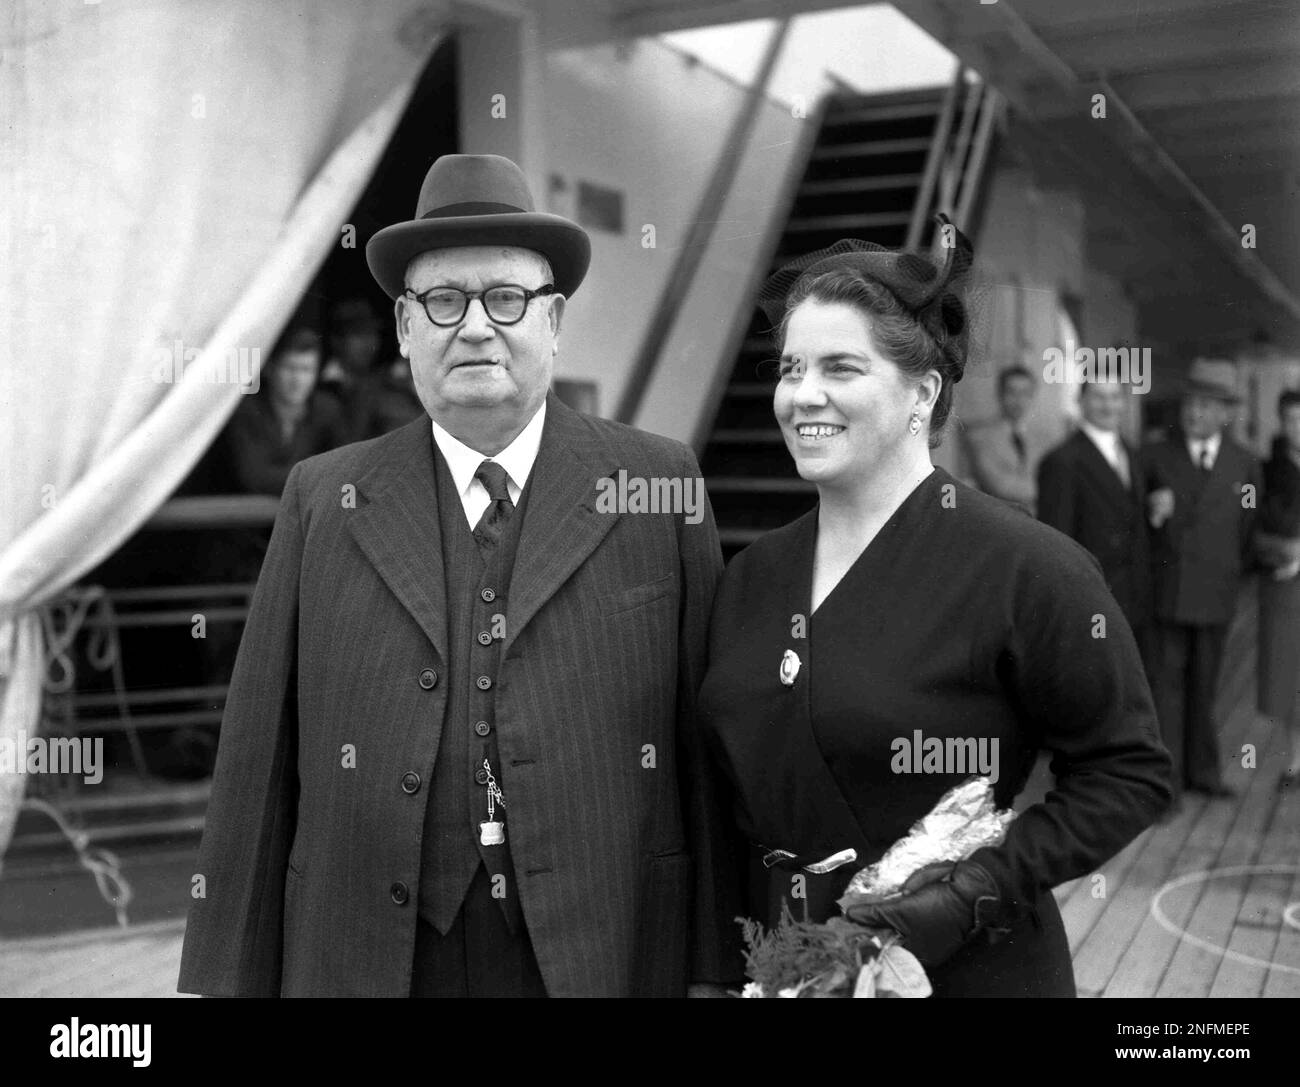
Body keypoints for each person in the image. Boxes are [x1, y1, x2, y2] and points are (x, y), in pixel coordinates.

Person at [177, 153, 739, 997]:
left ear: (554, 321)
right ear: (406, 326)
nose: (475, 326)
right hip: (370, 950)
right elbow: (259, 757)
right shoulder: (322, 496)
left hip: (603, 944)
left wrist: (716, 968)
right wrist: (225, 976)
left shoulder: (658, 483)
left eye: (505, 298)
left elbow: (703, 750)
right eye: (444, 301)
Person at [696, 226, 1171, 997]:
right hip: (786, 969)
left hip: (964, 970)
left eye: (840, 367)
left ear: (922, 392)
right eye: (789, 368)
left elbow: (1131, 773)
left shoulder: (1027, 567)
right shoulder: (750, 574)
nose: (801, 394)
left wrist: (960, 898)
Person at [1142, 359, 1260, 806]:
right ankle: (1166, 787)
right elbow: (1137, 520)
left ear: (1226, 412)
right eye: (1191, 403)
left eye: (1207, 404)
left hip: (1216, 592)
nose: (1195, 412)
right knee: (1166, 691)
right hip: (1168, 592)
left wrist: (1229, 571)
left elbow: (1248, 529)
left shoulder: (1245, 464)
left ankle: (1204, 773)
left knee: (1206, 686)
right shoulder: (1153, 456)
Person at [1037, 376, 1153, 664]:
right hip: (1092, 598)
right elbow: (1056, 542)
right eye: (1099, 397)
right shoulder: (1062, 460)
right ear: (1081, 401)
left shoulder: (1134, 454)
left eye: (1115, 397)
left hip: (1135, 596)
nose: (1108, 405)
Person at [223, 327, 348, 496]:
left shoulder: (327, 409)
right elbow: (255, 479)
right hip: (245, 519)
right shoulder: (246, 410)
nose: (298, 380)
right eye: (289, 368)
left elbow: (346, 471)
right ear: (269, 369)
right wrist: (319, 475)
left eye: (306, 370)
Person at [1255, 388, 1300, 790]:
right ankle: (1296, 760)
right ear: (1281, 424)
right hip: (1287, 584)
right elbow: (1253, 528)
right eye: (1291, 420)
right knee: (1291, 672)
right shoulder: (1266, 473)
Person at [963, 364, 1047, 515]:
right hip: (997, 520)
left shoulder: (1045, 439)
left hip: (1038, 523)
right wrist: (1049, 489)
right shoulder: (980, 438)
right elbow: (999, 485)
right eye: (1012, 392)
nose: (1018, 400)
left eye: (1025, 393)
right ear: (1000, 394)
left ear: (1033, 396)